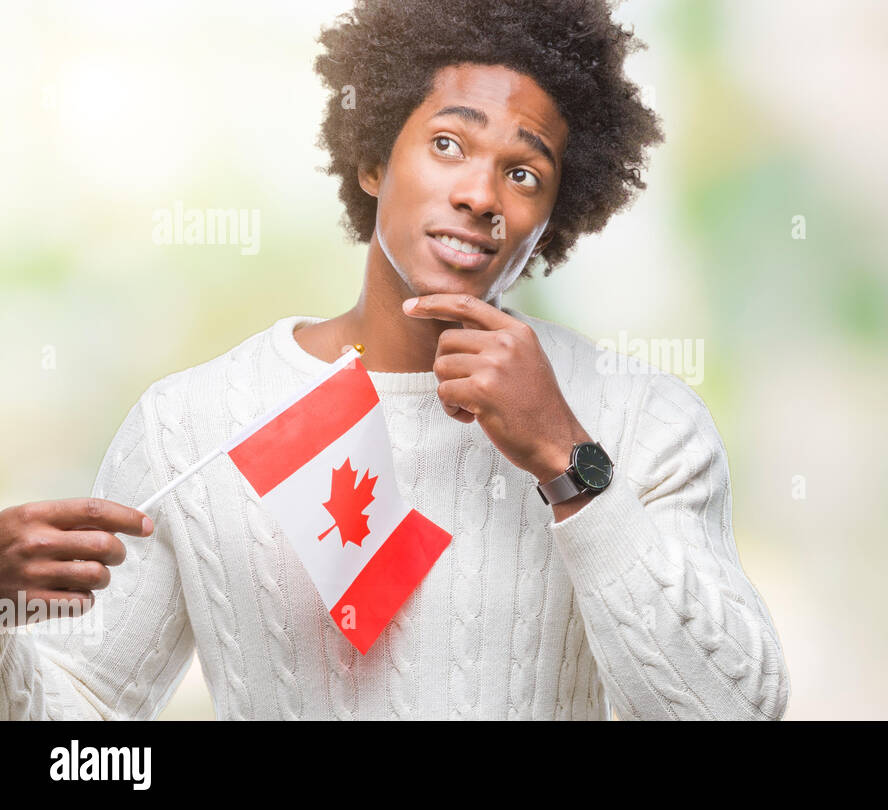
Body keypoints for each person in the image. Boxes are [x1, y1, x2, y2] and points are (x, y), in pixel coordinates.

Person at [0, 0, 789, 720]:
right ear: (373, 162)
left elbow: (737, 712)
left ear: (549, 221)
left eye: (523, 173)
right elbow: (77, 724)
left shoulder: (645, 421)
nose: (480, 194)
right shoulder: (193, 421)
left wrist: (565, 458)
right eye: (448, 143)